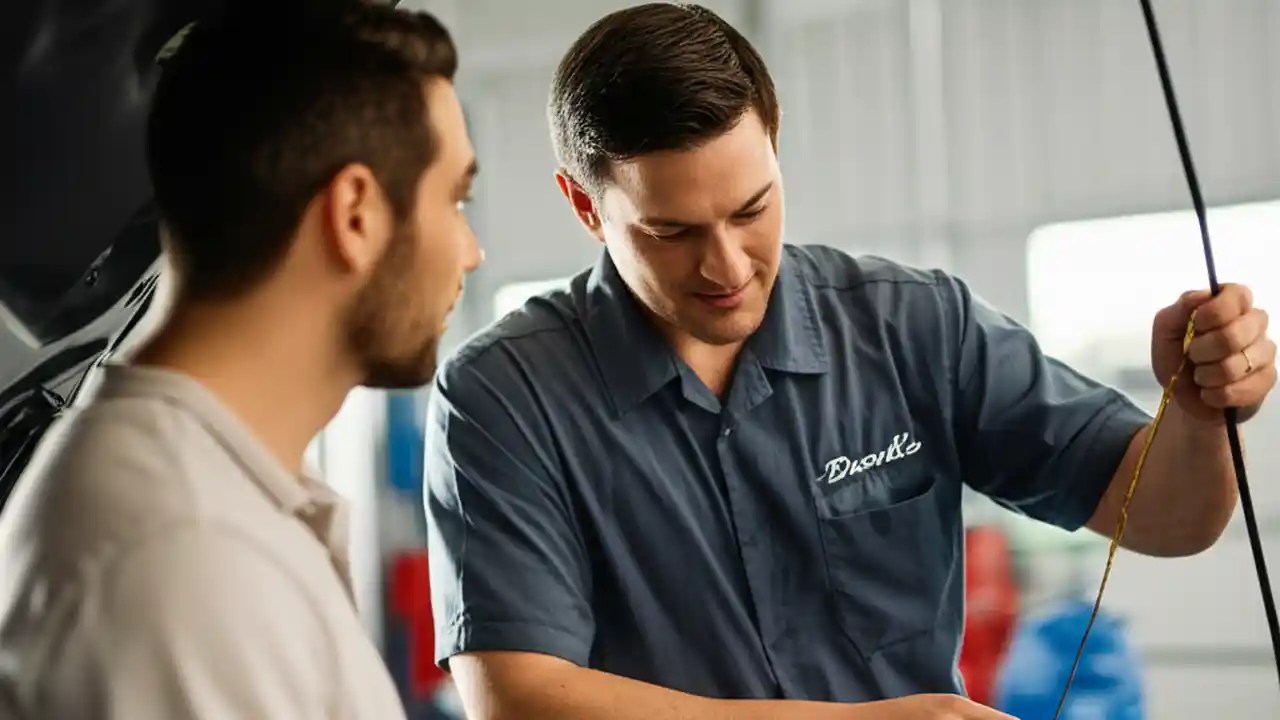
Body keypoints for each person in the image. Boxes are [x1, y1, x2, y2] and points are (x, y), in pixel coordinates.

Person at [424, 3, 1276, 720]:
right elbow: (518, 697)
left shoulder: (913, 326)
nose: (727, 266)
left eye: (752, 208)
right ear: (584, 204)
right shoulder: (504, 396)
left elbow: (1167, 517)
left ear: (776, 146)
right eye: (673, 232)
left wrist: (1199, 414)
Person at [0, 3, 481, 718]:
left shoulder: (210, 497)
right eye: (455, 199)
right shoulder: (181, 554)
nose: (471, 252)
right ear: (355, 215)